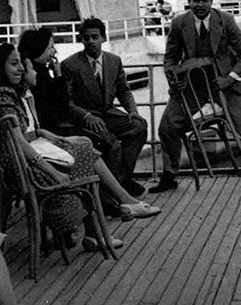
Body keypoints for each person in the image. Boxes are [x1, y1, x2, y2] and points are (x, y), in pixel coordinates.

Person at [0, 44, 158, 252]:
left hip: (25, 162)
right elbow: (17, 141)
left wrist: (44, 134)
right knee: (85, 155)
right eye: (14, 63)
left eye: (21, 63)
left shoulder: (11, 95)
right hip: (22, 170)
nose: (20, 68)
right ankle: (107, 220)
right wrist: (53, 172)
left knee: (85, 148)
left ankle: (112, 214)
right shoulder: (5, 99)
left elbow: (23, 134)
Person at [152, 0, 241, 193]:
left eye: (204, 0)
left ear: (211, 0)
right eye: (196, 0)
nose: (200, 5)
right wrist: (174, 79)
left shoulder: (225, 20)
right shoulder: (179, 23)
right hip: (193, 87)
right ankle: (170, 176)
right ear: (189, 1)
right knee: (168, 126)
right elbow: (169, 59)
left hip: (226, 84)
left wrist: (230, 77)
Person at [60, 18, 148, 197]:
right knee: (111, 143)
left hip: (108, 113)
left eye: (94, 37)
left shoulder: (114, 61)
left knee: (139, 126)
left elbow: (123, 90)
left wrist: (132, 112)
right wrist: (86, 116)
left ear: (103, 38)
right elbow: (66, 102)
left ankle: (123, 178)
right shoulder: (70, 65)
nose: (90, 41)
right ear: (81, 40)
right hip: (86, 118)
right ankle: (116, 189)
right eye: (86, 37)